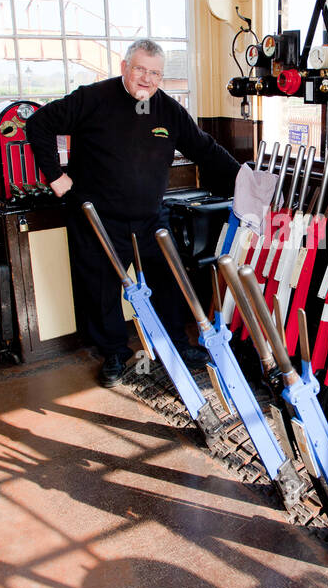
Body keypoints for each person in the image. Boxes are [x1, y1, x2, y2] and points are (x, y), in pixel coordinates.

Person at [27, 39, 240, 386]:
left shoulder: (168, 111)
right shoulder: (92, 99)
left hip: (149, 217)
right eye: (140, 69)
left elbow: (204, 148)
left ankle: (175, 342)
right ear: (125, 67)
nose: (147, 79)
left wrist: (243, 176)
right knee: (101, 289)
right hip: (99, 218)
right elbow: (38, 124)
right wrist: (55, 176)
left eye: (155, 73)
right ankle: (114, 352)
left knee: (169, 281)